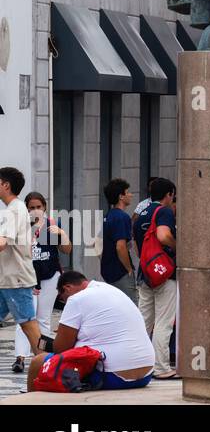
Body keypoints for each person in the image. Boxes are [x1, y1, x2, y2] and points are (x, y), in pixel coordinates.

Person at [29, 271, 154, 392]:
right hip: (146, 373)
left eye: (62, 299)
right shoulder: (111, 289)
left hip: (114, 375)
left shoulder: (76, 299)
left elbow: (61, 349)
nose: (64, 303)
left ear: (67, 288)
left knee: (38, 362)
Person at [12, 193, 71, 374]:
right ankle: (20, 357)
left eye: (38, 207)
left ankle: (43, 357)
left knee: (43, 318)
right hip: (28, 277)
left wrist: (62, 234)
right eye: (31, 207)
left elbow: (66, 250)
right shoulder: (22, 225)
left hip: (49, 276)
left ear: (44, 207)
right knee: (25, 318)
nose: (35, 210)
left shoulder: (51, 225)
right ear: (26, 208)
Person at [133, 177, 178, 379]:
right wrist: (178, 247)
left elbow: (136, 246)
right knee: (163, 321)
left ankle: (136, 363)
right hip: (163, 273)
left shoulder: (141, 212)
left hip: (145, 272)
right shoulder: (164, 211)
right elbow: (162, 235)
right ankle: (161, 368)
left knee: (144, 321)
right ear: (169, 194)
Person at [0, 168, 41, 370]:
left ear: (5, 185)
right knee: (28, 324)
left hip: (16, 280)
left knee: (28, 325)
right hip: (6, 280)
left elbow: (1, 242)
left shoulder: (14, 210)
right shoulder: (12, 209)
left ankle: (50, 365)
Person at [100, 179, 136, 296]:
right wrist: (129, 269)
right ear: (121, 196)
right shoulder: (122, 217)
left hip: (108, 270)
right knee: (131, 306)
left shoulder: (108, 216)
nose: (131, 195)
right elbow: (120, 246)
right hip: (120, 272)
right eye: (128, 192)